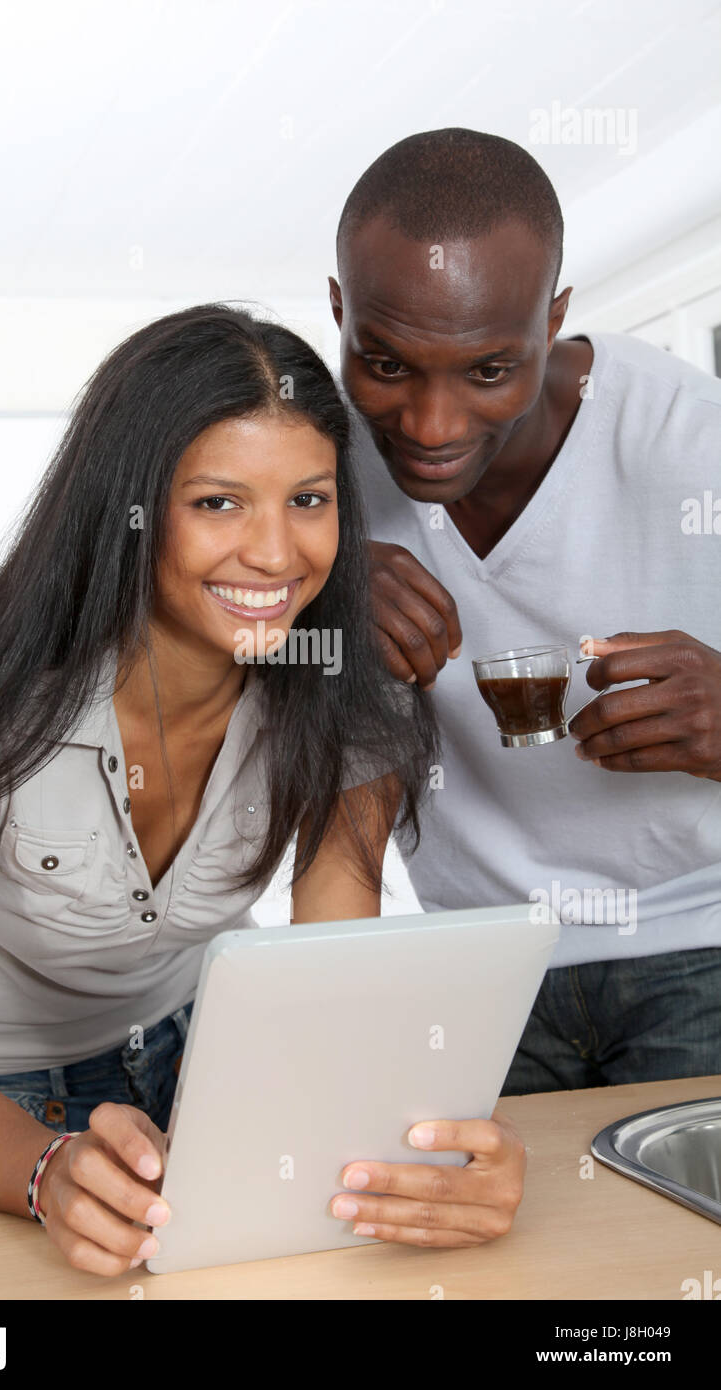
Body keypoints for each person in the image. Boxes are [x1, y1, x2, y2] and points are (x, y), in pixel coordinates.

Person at [0, 304, 526, 1278]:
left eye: (307, 500)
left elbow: (331, 995)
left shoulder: (346, 701)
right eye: (218, 503)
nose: (274, 554)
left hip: (217, 1066)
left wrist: (441, 1161)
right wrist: (48, 1170)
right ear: (126, 508)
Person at [329, 128, 721, 1095]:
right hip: (476, 966)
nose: (430, 426)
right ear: (339, 311)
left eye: (488, 371)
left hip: (699, 944)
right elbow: (170, 641)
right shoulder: (305, 478)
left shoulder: (693, 443)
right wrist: (316, 596)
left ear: (554, 319)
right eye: (385, 365)